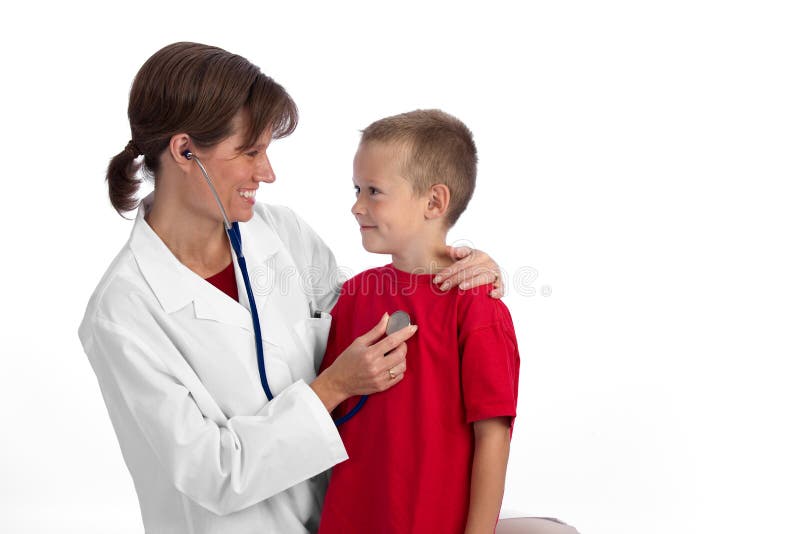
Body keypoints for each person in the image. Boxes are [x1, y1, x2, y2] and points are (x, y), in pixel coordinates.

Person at [78, 42, 504, 534]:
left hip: (355, 516)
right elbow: (214, 473)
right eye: (251, 152)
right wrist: (334, 387)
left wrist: (463, 275)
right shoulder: (122, 314)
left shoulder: (280, 234)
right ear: (184, 150)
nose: (268, 172)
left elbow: (380, 327)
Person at [317, 110, 520, 533]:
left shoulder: (477, 306)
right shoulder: (354, 296)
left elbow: (493, 437)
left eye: (374, 191)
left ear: (434, 202)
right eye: (357, 189)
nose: (356, 206)